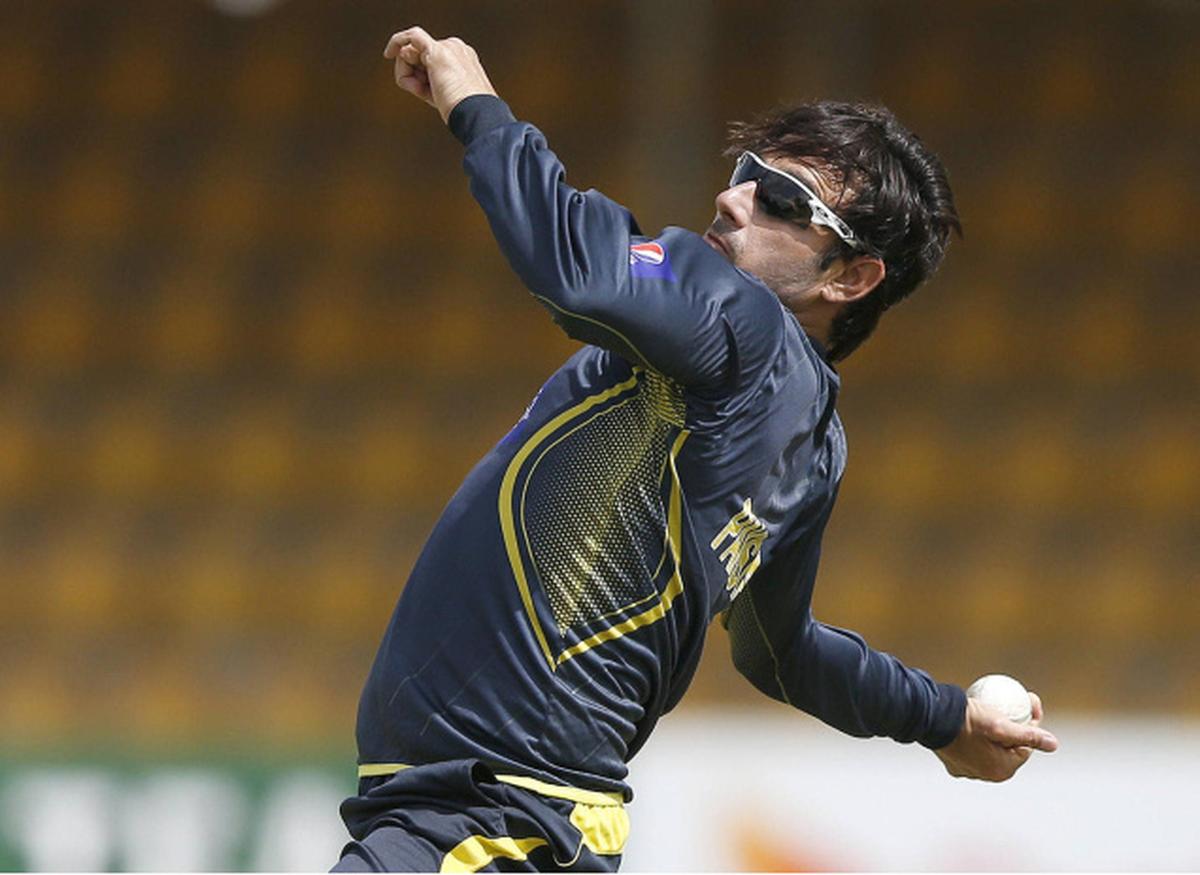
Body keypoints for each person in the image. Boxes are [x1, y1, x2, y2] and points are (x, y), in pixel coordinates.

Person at [334, 26, 1060, 873]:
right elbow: (782, 654)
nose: (733, 199)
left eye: (782, 199)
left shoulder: (747, 320)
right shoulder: (815, 449)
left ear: (851, 278)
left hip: (491, 813)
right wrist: (942, 716)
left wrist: (477, 105)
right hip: (528, 819)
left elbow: (577, 271)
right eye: (746, 173)